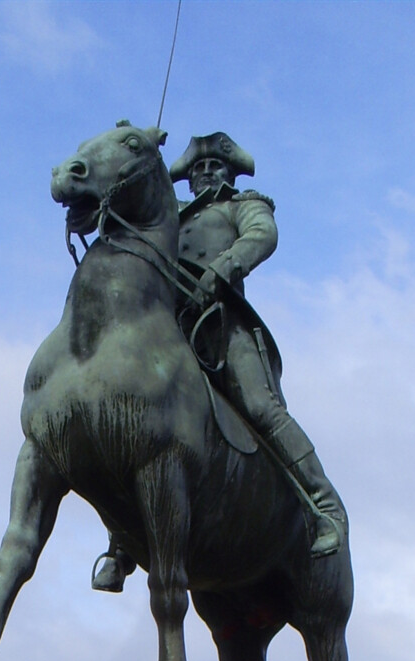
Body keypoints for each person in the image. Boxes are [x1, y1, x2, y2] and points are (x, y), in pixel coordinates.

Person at [92, 131, 348, 593]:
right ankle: (121, 546)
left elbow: (261, 236)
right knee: (137, 418)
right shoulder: (172, 217)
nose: (206, 175)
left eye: (215, 167)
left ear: (229, 173)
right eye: (198, 169)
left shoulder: (242, 204)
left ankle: (324, 504)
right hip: (171, 328)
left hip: (221, 322)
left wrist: (224, 268)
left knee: (260, 406)